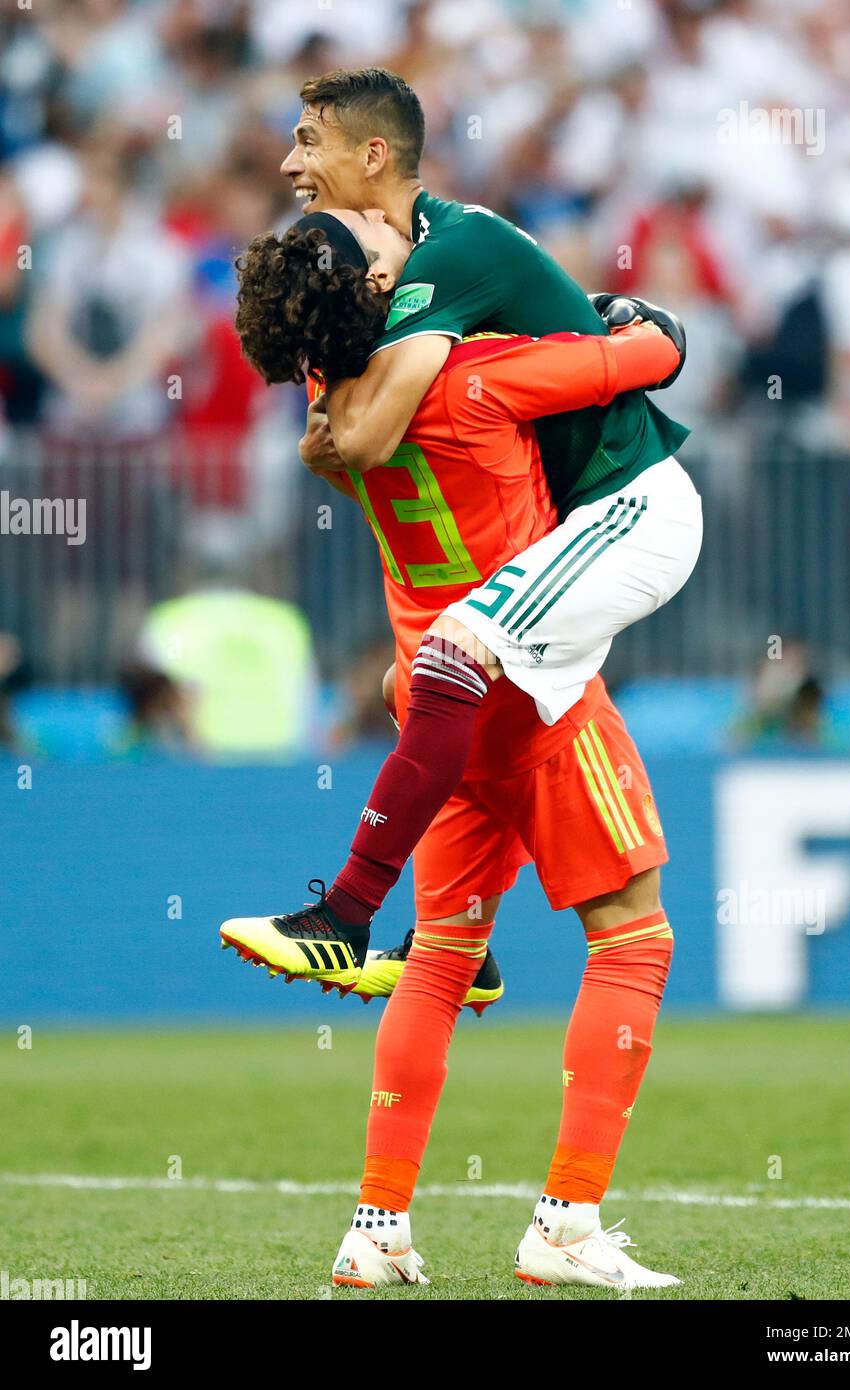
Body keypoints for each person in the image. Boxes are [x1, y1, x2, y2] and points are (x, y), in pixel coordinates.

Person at [225, 215, 681, 1291]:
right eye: (382, 259)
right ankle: (565, 1221)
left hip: (433, 703)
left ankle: (374, 1229)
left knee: (437, 958)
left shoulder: (329, 418)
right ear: (378, 293)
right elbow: (641, 355)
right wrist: (645, 322)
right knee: (632, 938)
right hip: (531, 692)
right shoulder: (477, 377)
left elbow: (352, 450)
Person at [223, 67, 701, 984]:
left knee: (449, 671)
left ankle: (358, 914)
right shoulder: (412, 292)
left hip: (622, 506)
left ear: (373, 155)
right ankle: (450, 935)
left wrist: (655, 339)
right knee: (455, 696)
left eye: (307, 141)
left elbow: (358, 441)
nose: (289, 162)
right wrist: (644, 331)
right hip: (554, 529)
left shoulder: (452, 254)